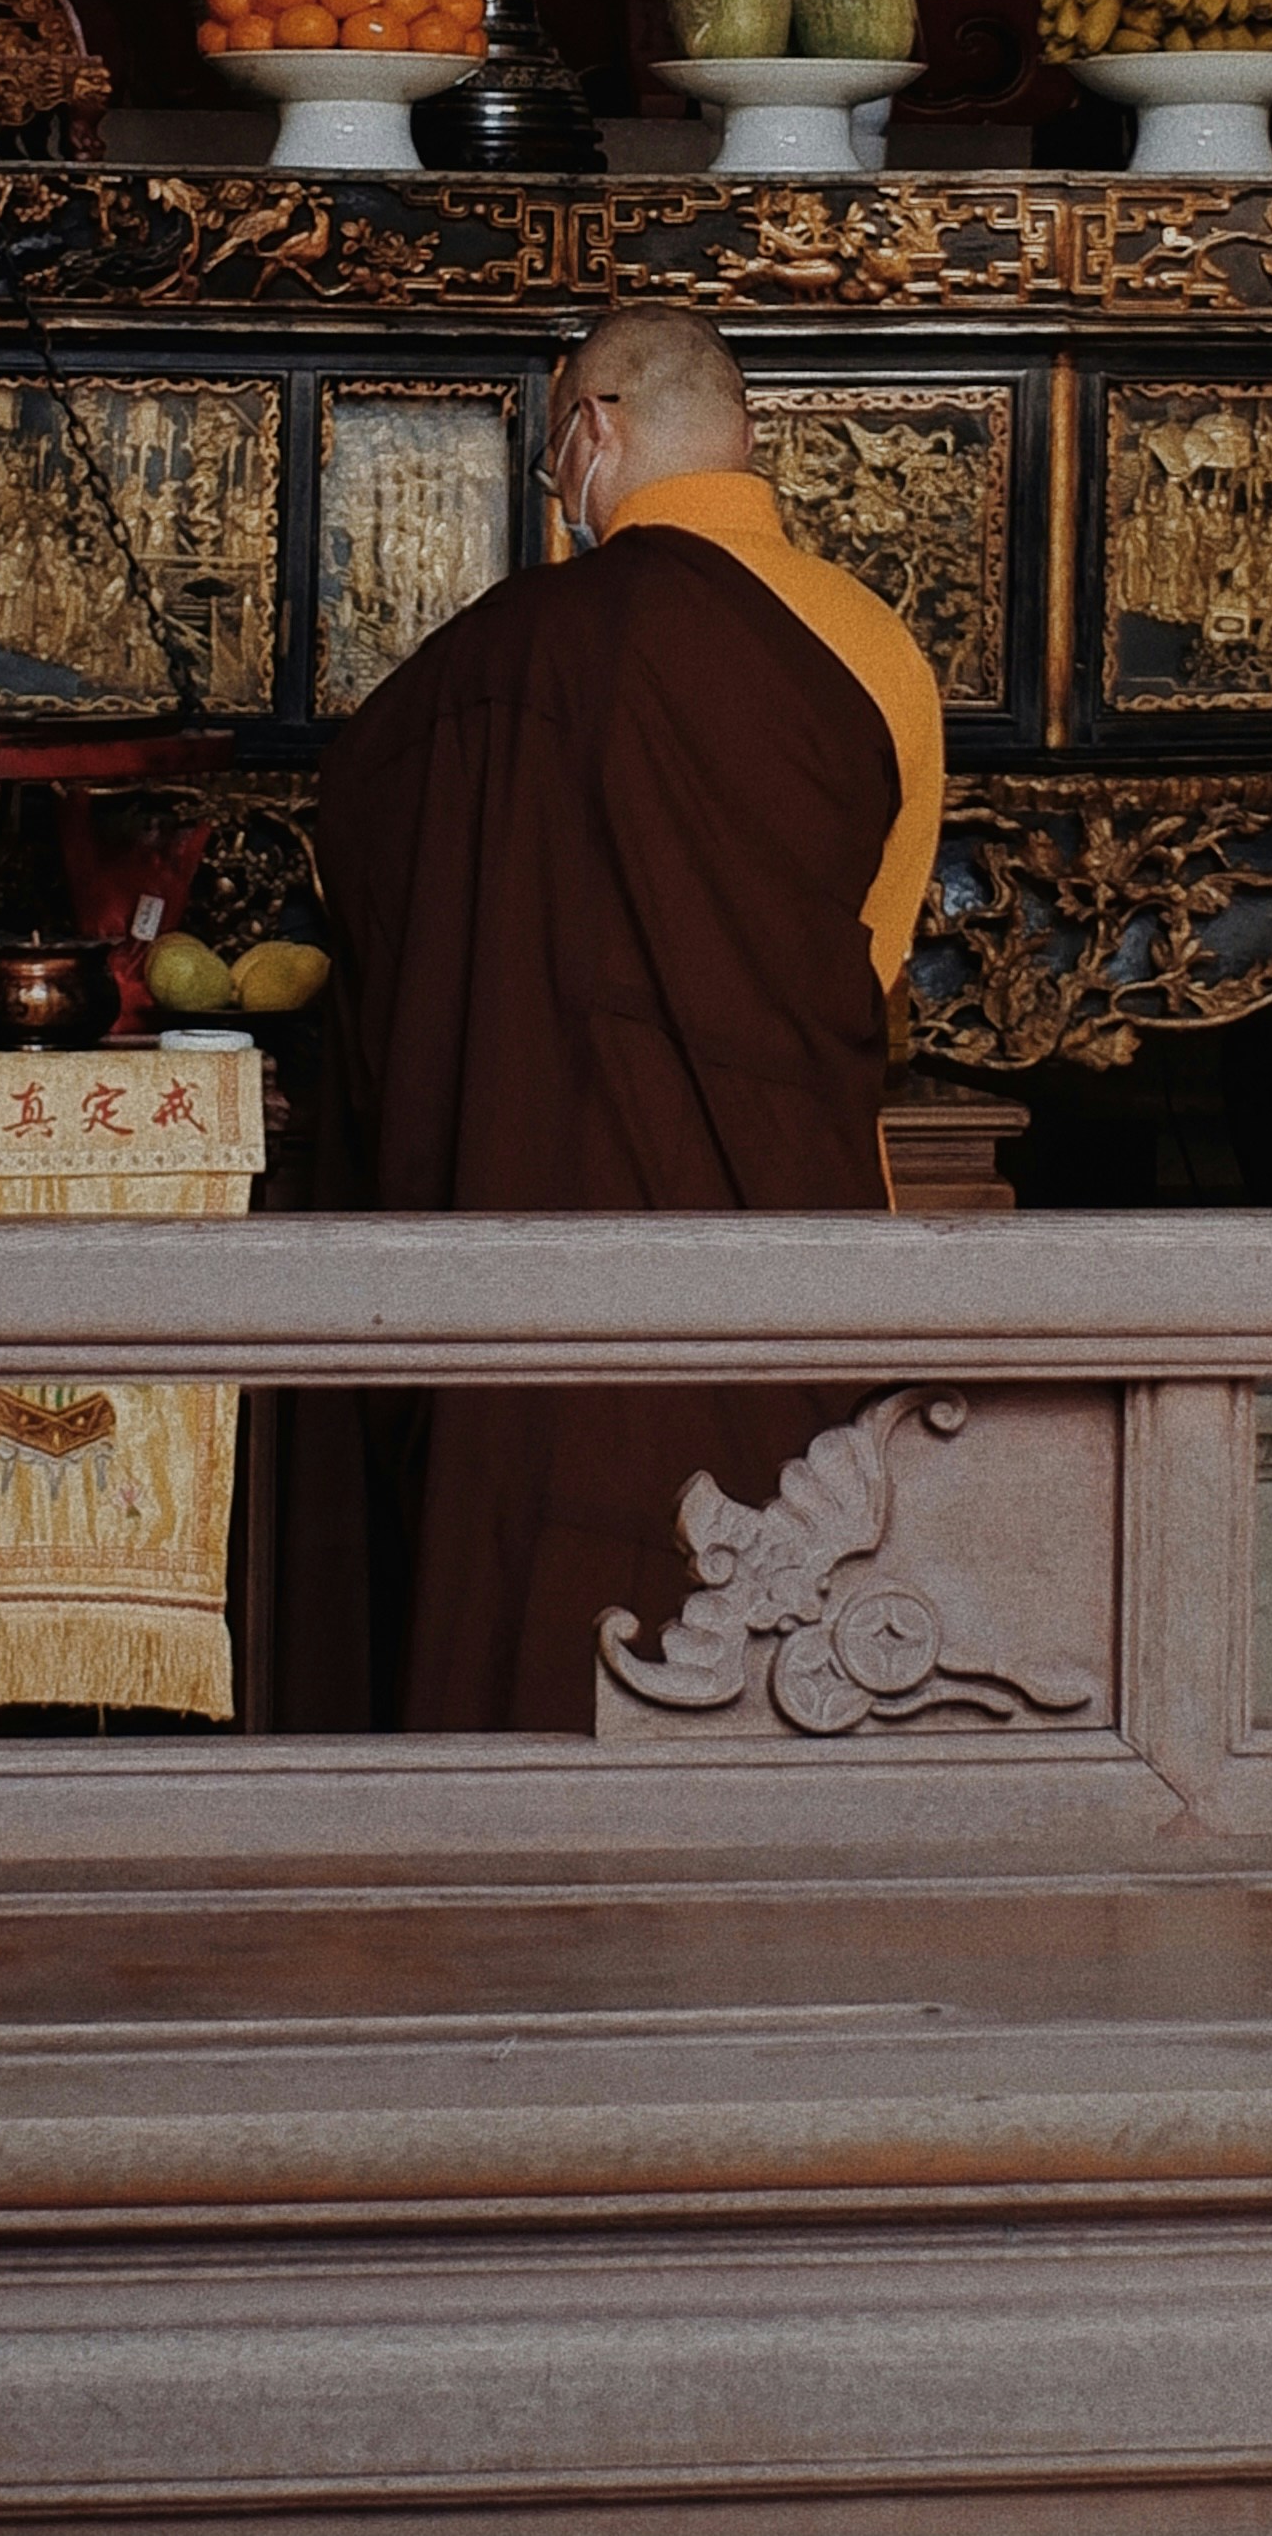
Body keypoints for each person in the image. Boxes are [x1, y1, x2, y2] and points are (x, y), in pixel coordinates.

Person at [310, 298, 950, 1734]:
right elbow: (870, 967)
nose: (562, 500)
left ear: (593, 432)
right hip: (796, 1234)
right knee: (793, 1597)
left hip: (549, 1232)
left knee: (545, 1555)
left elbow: (358, 819)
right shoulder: (874, 649)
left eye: (555, 466)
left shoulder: (518, 648)